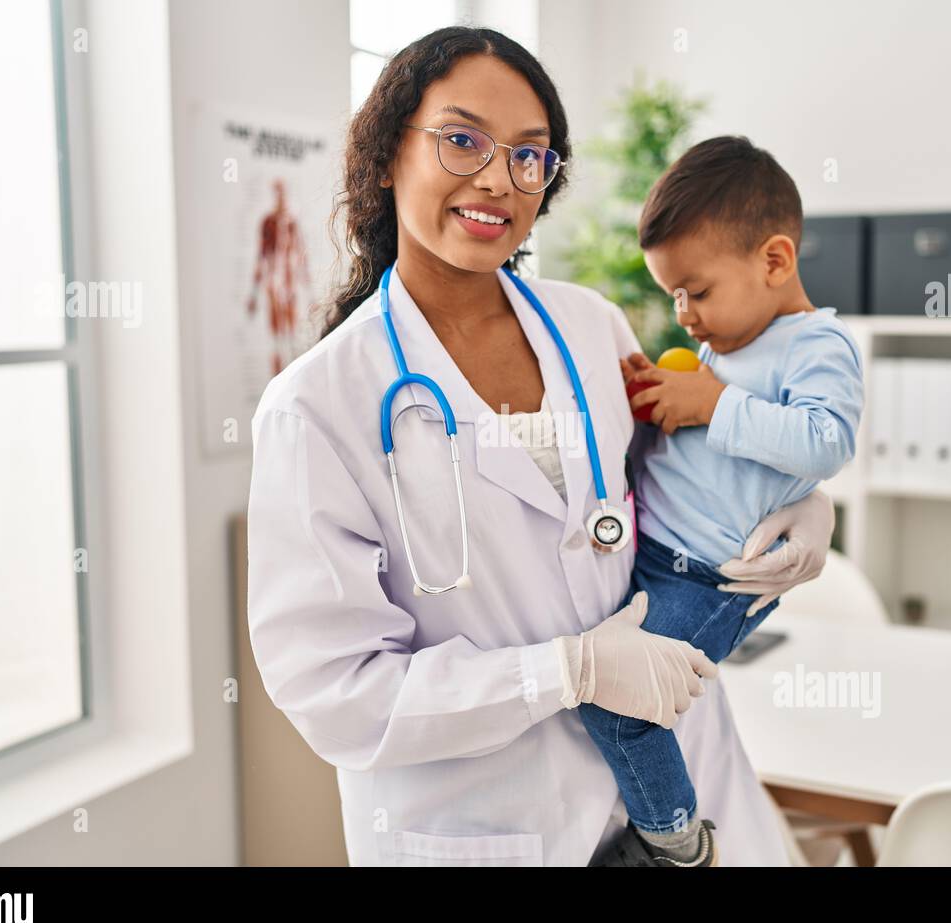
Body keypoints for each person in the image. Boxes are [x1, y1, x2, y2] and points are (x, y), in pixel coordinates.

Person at [246, 26, 836, 867]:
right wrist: (568, 672)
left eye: (530, 155)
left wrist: (807, 500)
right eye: (461, 140)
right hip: (490, 828)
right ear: (385, 157)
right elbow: (338, 696)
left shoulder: (589, 325)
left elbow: (688, 466)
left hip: (682, 794)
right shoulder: (316, 408)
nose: (498, 177)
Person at [579, 136, 865, 866]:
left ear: (773, 261)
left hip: (709, 581)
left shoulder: (815, 344)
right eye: (673, 293)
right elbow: (709, 449)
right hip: (657, 557)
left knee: (621, 708)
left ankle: (674, 842)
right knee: (613, 688)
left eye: (696, 292)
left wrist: (713, 402)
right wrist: (658, 402)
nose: (684, 314)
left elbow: (826, 441)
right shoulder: (725, 347)